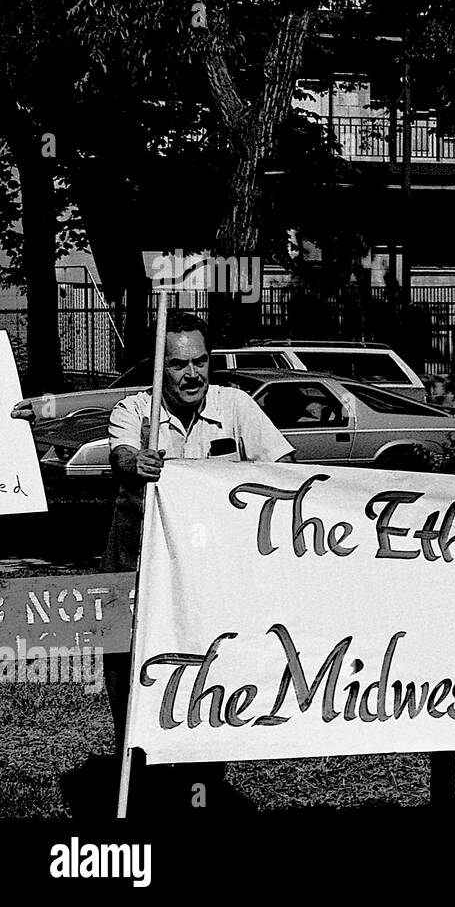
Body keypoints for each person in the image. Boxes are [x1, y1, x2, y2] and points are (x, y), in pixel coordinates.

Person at [103, 312, 295, 810]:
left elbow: (287, 469)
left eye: (201, 361)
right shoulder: (133, 409)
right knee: (136, 684)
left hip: (213, 583)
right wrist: (136, 462)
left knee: (210, 679)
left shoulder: (236, 406)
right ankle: (143, 784)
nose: (192, 374)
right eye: (178, 365)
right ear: (157, 368)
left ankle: (201, 789)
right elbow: (122, 454)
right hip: (145, 576)